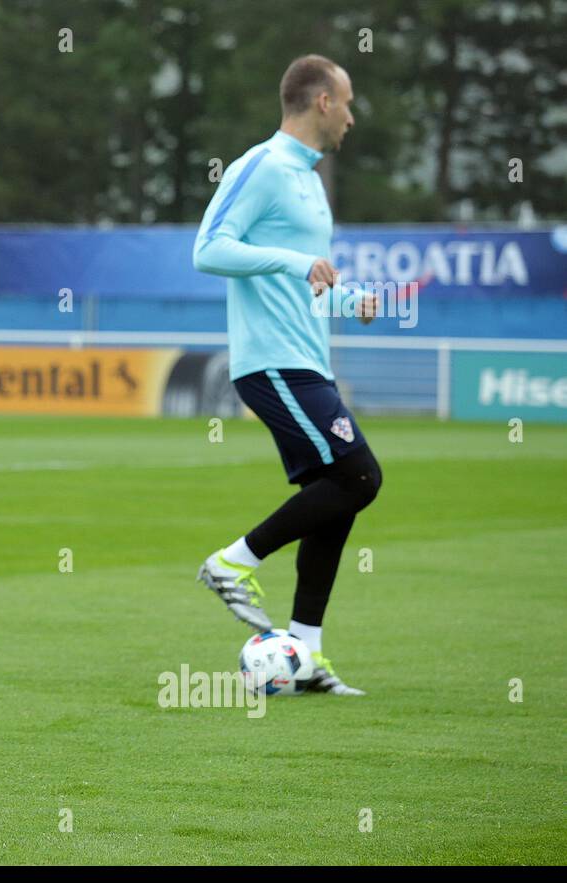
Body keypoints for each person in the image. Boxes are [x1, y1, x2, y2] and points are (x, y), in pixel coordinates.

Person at [193, 54, 382, 696]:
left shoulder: (310, 182)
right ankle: (233, 561)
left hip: (305, 359)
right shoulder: (263, 165)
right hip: (271, 363)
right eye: (348, 102)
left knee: (337, 494)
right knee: (361, 477)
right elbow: (209, 249)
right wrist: (297, 262)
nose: (353, 117)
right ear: (322, 101)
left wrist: (345, 298)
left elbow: (302, 280)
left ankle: (304, 655)